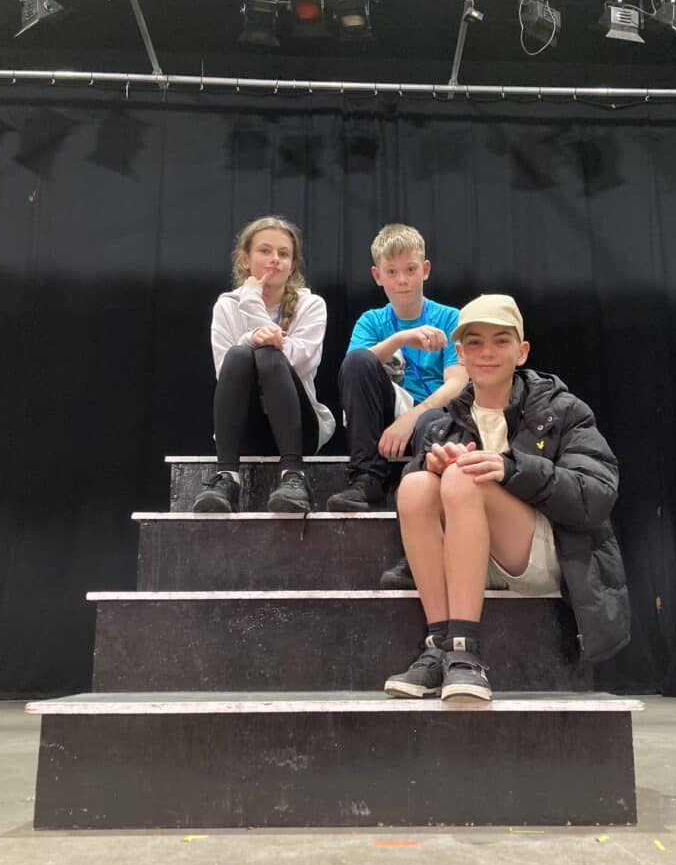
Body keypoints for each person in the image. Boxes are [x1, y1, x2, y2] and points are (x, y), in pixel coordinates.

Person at [384, 293, 630, 703]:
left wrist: (512, 469)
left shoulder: (563, 410)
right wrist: (429, 467)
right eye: (475, 343)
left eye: (501, 340)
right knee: (414, 485)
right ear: (459, 354)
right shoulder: (442, 425)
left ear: (522, 351)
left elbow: (597, 495)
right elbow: (419, 503)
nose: (487, 352)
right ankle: (439, 644)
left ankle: (464, 652)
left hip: (547, 555)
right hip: (469, 555)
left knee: (466, 477)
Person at [193, 216, 334, 514]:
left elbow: (297, 362)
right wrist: (252, 334)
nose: (275, 260)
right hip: (246, 429)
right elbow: (226, 373)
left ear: (293, 265)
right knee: (239, 355)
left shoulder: (312, 305)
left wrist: (254, 312)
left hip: (298, 428)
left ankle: (293, 475)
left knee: (271, 356)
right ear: (245, 259)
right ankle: (227, 477)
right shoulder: (227, 305)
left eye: (284, 254)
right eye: (265, 251)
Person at [326, 224, 467, 515]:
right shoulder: (371, 321)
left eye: (410, 269)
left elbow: (457, 385)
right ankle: (365, 479)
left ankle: (423, 500)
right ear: (378, 276)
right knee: (358, 360)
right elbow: (352, 369)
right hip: (383, 418)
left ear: (425, 270)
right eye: (392, 272)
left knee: (432, 417)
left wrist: (410, 420)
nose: (402, 280)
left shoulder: (451, 317)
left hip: (433, 417)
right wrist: (401, 338)